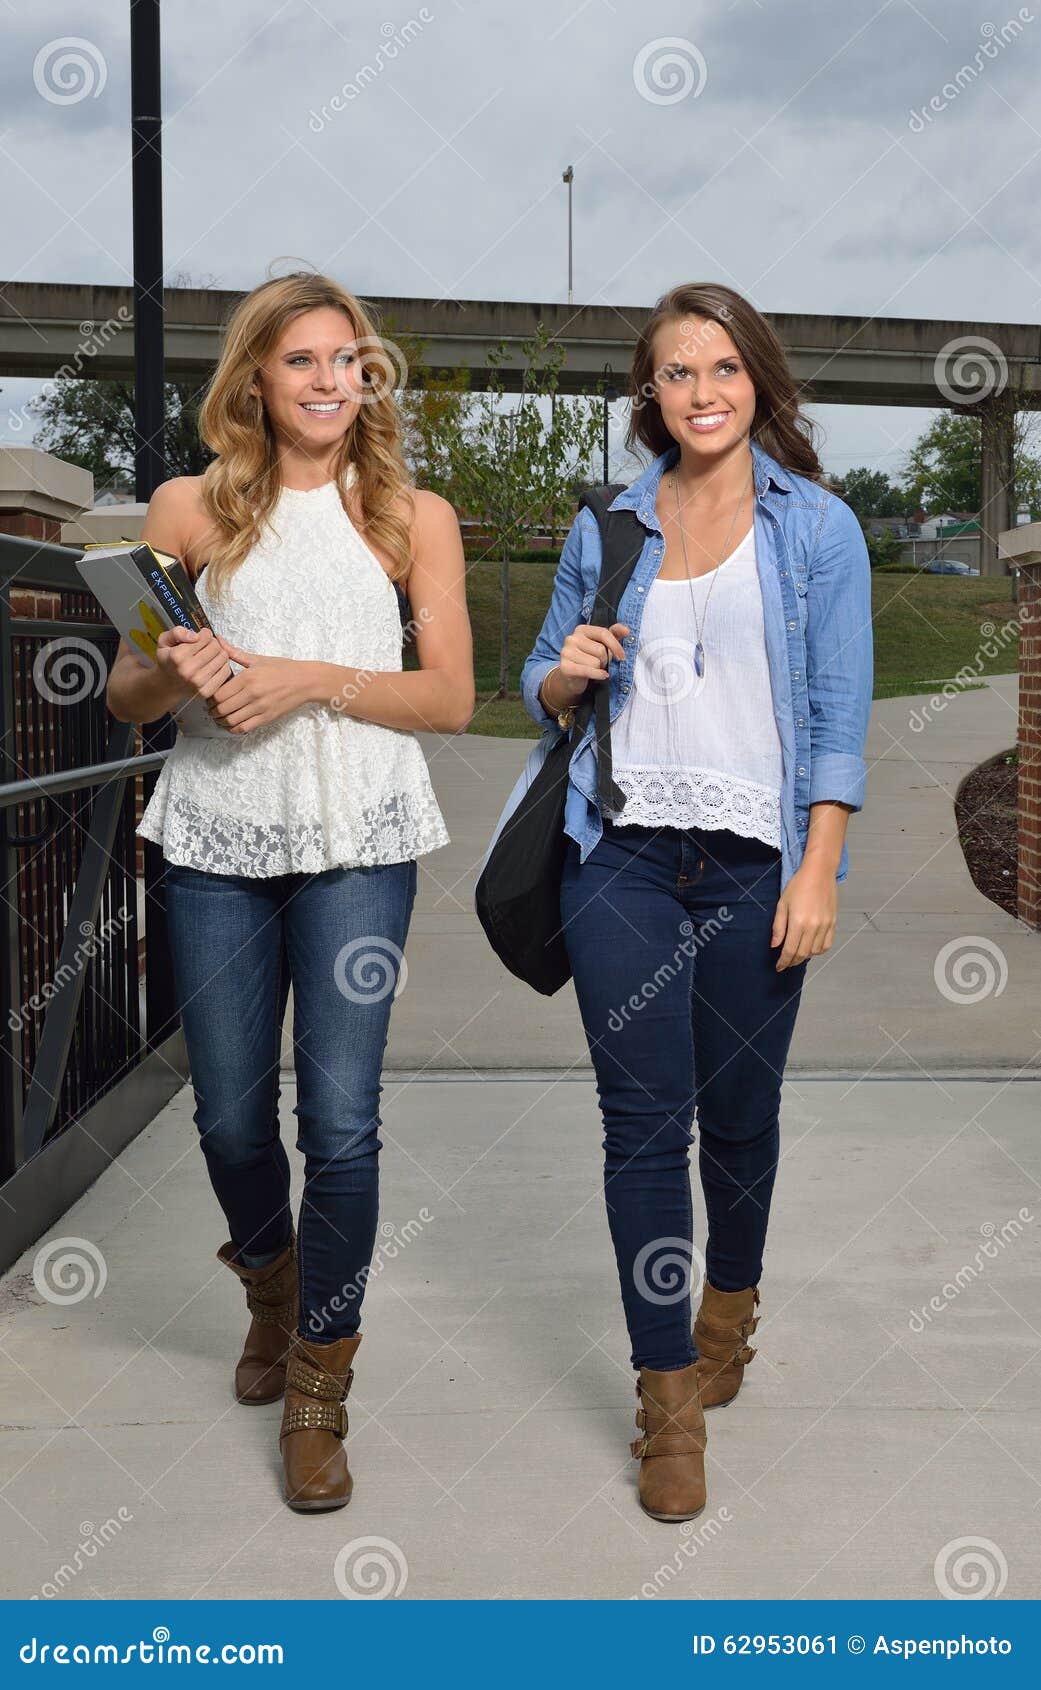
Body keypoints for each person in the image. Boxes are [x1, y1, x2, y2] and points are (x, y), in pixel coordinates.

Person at [106, 270, 473, 1512]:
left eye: (348, 360)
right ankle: (270, 1281)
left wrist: (307, 675)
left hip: (361, 833)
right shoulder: (187, 507)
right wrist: (183, 665)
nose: (329, 381)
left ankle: (320, 1382)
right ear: (254, 377)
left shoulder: (409, 513)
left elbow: (451, 700)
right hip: (215, 829)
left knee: (343, 1120)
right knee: (224, 1117)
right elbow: (126, 697)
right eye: (302, 359)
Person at [519, 282, 873, 1523]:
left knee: (739, 1117)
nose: (703, 391)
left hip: (752, 863)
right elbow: (540, 679)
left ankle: (733, 1303)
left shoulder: (818, 528)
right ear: (651, 394)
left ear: (758, 380)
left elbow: (836, 714)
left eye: (723, 367)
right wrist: (562, 673)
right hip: (617, 856)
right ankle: (666, 1398)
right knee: (638, 1124)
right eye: (678, 372)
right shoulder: (610, 524)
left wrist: (818, 867)